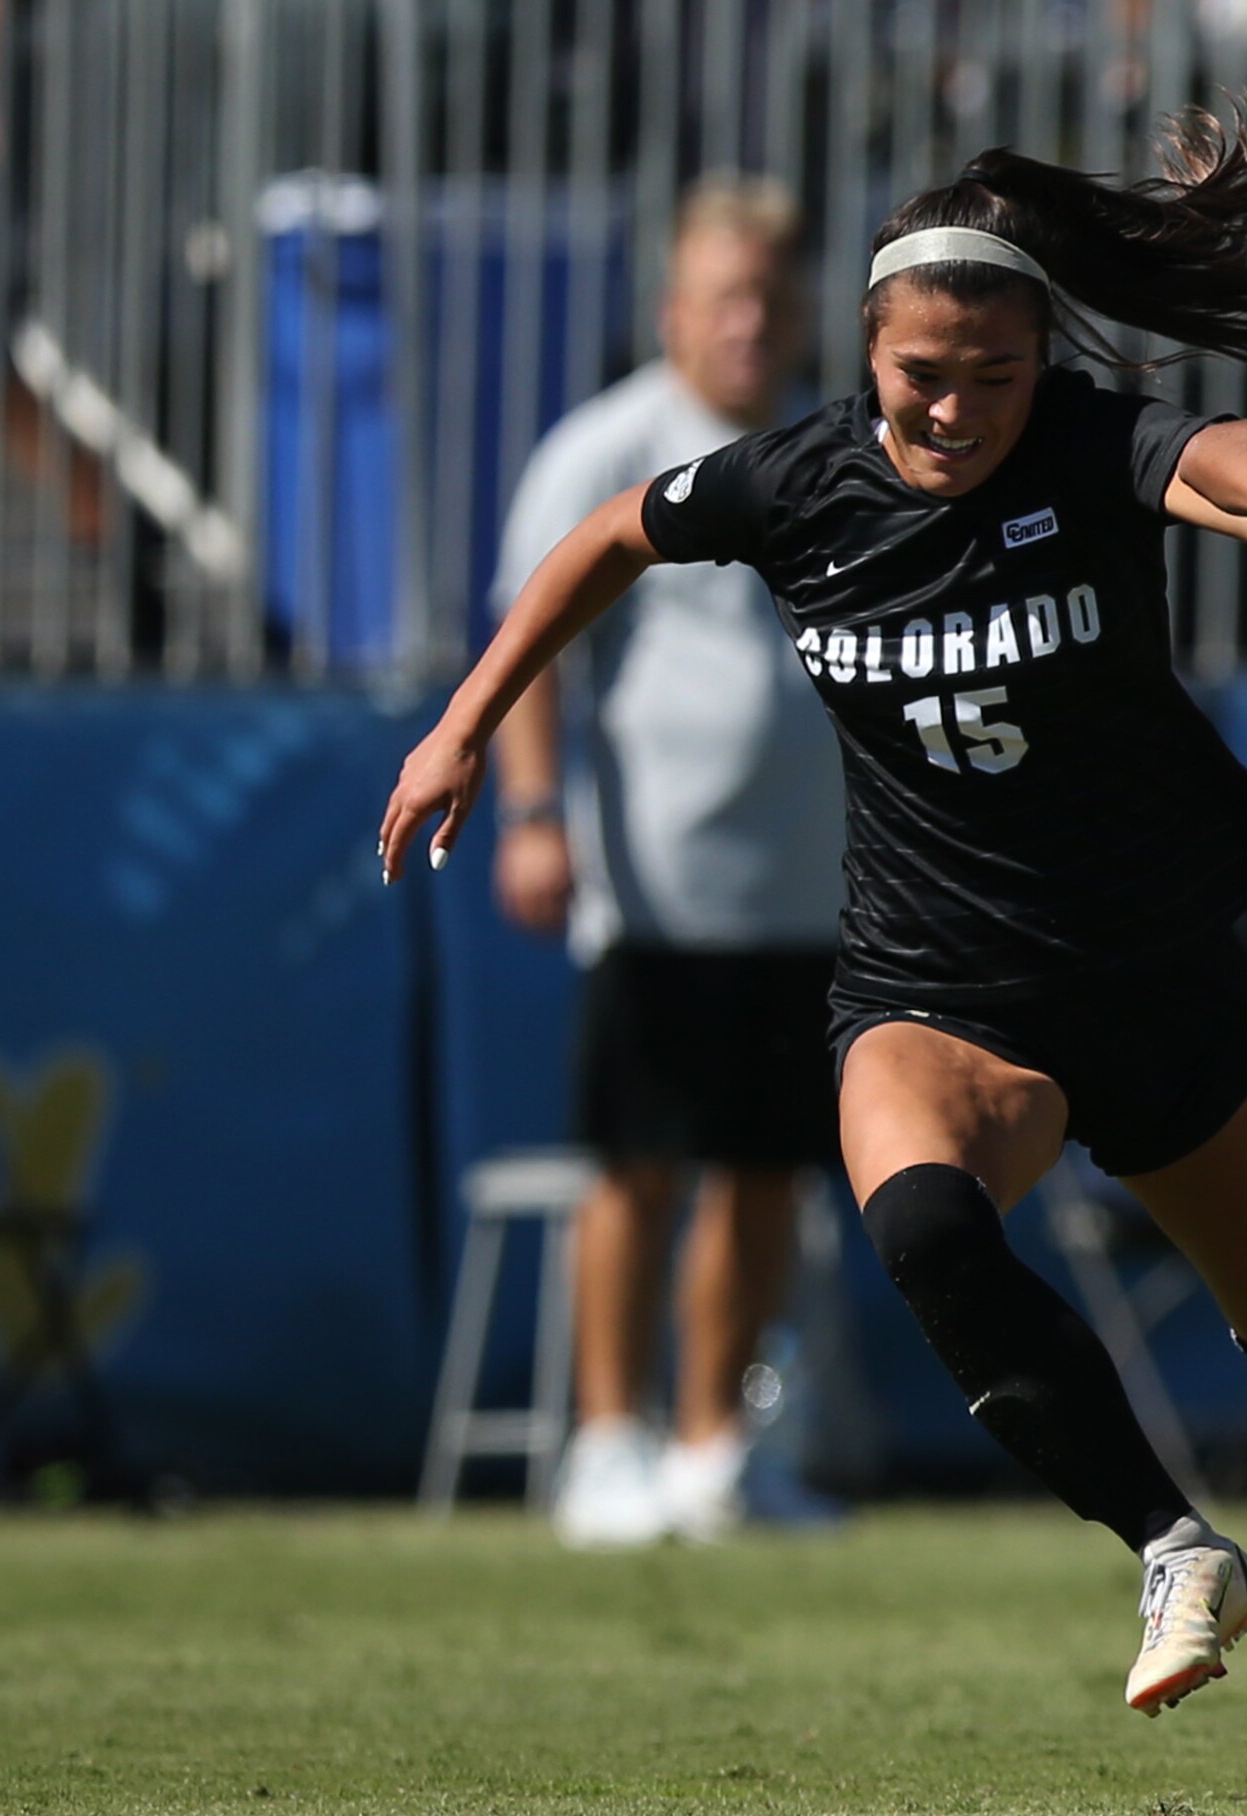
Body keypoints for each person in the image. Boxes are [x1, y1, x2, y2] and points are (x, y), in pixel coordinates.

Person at [383, 113, 1247, 1715]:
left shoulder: (1091, 451)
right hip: (936, 984)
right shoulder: (795, 481)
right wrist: (470, 720)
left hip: (1155, 972)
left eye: (995, 375)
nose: (955, 408)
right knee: (925, 1228)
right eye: (921, 377)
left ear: (1047, 365)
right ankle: (1175, 1545)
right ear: (866, 353)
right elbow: (611, 533)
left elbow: (1229, 471)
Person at [483, 175, 841, 1549]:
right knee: (636, 1165)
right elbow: (533, 654)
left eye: (772, 297)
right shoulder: (607, 447)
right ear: (672, 310)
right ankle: (610, 1441)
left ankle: (713, 1452)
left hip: (813, 892)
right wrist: (530, 819)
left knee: (766, 1176)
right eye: (722, 299)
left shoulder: (839, 439)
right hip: (655, 893)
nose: (750, 325)